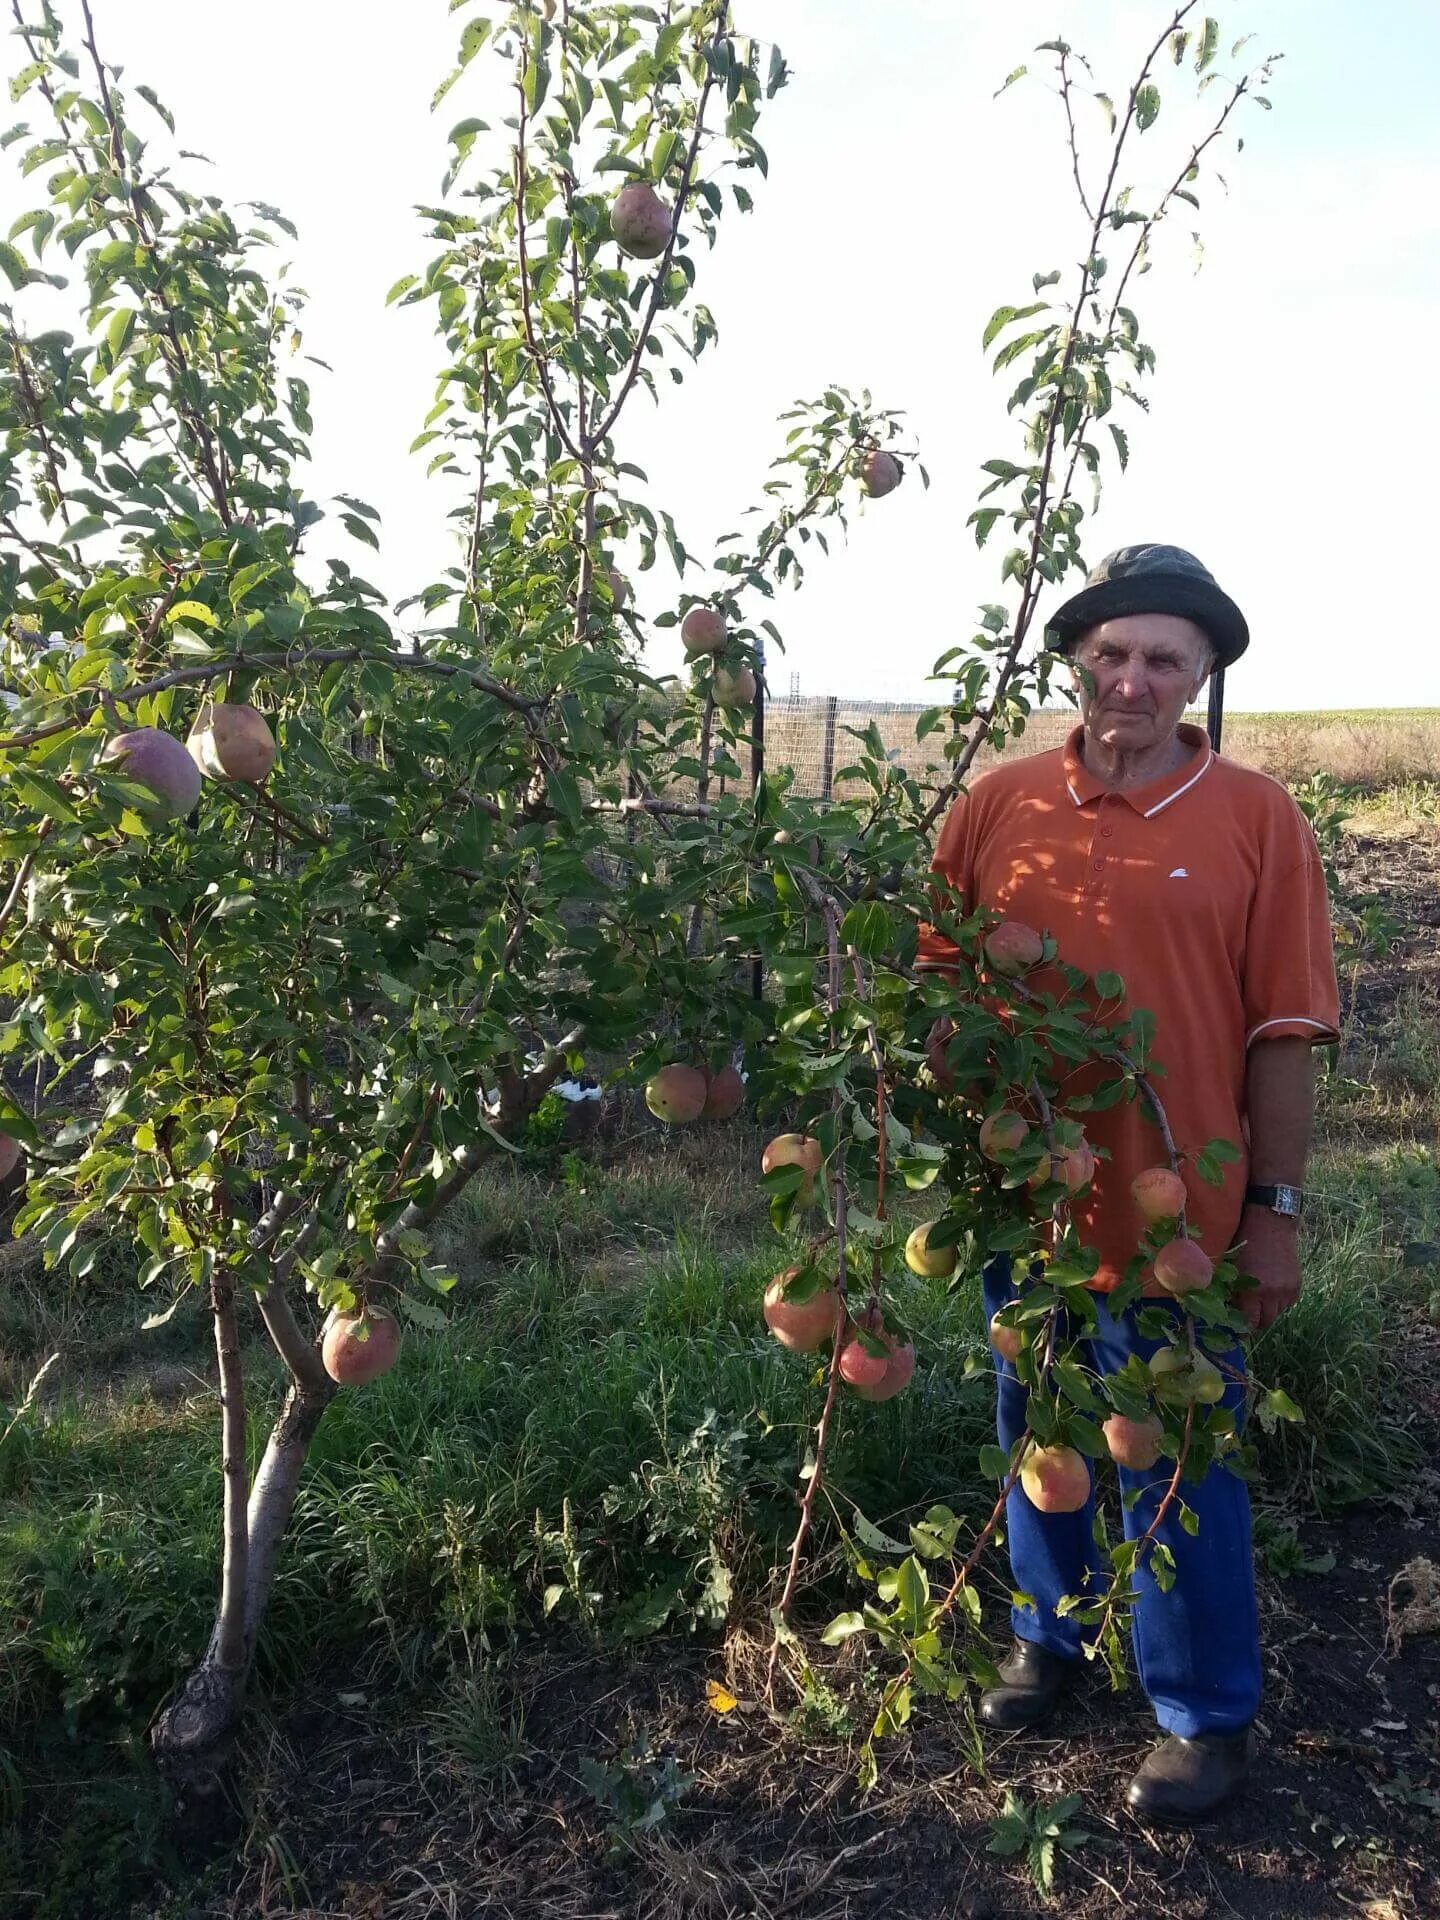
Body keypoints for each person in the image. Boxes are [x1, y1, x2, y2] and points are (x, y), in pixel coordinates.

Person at [916, 545, 1341, 1823]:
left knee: (1177, 1465)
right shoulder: (996, 806)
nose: (1135, 679)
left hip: (1182, 1228)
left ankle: (1203, 1714)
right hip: (1024, 1210)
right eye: (1113, 653)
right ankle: (1047, 1638)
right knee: (1035, 1429)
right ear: (1077, 664)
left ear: (1203, 673)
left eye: (1165, 658)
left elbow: (1285, 1030)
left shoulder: (1256, 819)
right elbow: (936, 987)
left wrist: (1271, 1212)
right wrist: (953, 1097)